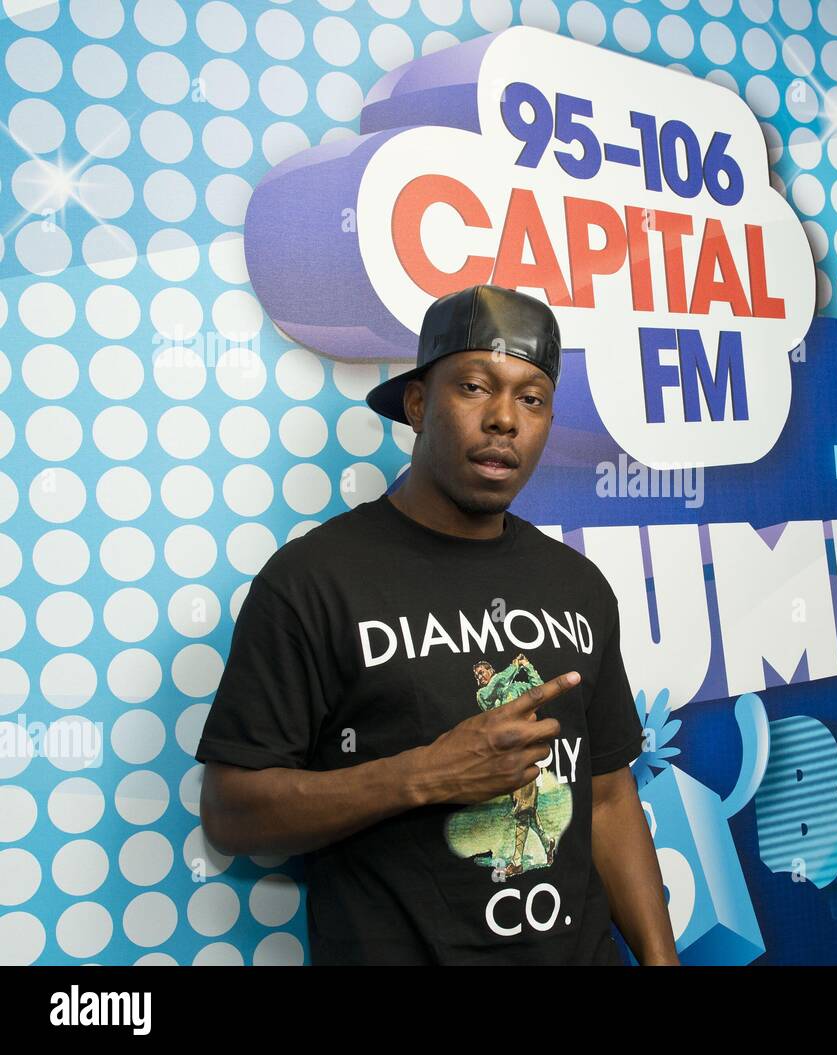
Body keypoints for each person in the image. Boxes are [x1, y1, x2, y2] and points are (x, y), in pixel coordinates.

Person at [196, 284, 678, 966]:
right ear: (418, 405)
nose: (504, 418)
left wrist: (663, 961)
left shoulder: (577, 585)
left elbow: (605, 796)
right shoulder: (314, 580)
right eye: (476, 387)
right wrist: (425, 775)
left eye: (531, 397)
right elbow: (231, 811)